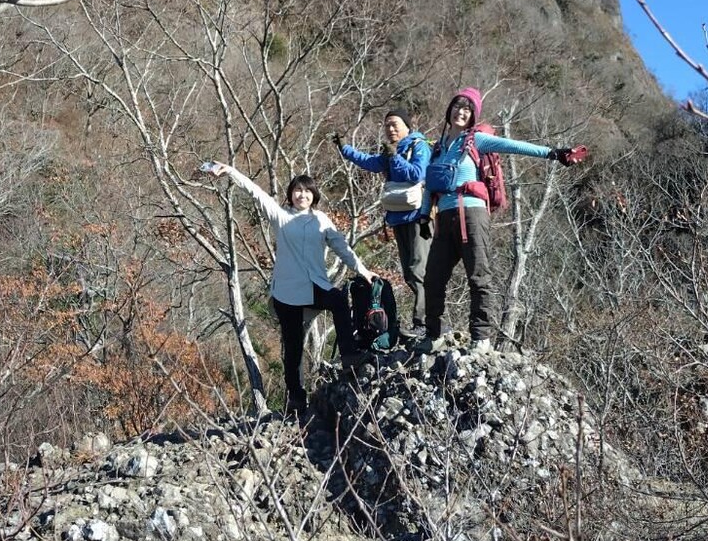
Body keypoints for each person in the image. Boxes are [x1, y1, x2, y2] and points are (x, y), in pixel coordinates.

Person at [415, 87, 586, 354]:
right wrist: (424, 214)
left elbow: (514, 146)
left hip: (471, 213)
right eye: (458, 106)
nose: (461, 111)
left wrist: (553, 153)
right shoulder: (438, 148)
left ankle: (481, 337)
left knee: (479, 274)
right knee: (433, 278)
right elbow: (429, 185)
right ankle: (433, 334)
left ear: (473, 116)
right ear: (448, 110)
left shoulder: (476, 140)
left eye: (468, 109)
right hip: (444, 218)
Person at [205, 162, 375, 419]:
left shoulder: (322, 220)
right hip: (287, 291)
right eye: (297, 190)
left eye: (307, 191)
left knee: (339, 301)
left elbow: (342, 247)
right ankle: (296, 398)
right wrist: (231, 171)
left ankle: (349, 353)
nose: (302, 195)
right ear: (290, 194)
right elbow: (255, 192)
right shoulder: (280, 215)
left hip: (316, 283)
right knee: (293, 347)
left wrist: (362, 270)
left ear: (313, 196)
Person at [333, 108, 432, 332]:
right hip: (399, 217)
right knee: (408, 272)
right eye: (387, 125)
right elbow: (369, 162)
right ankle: (423, 321)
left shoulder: (419, 146)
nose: (390, 128)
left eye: (395, 124)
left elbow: (417, 174)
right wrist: (344, 149)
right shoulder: (391, 151)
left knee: (418, 269)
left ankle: (424, 322)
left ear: (408, 126)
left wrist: (394, 157)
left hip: (419, 216)